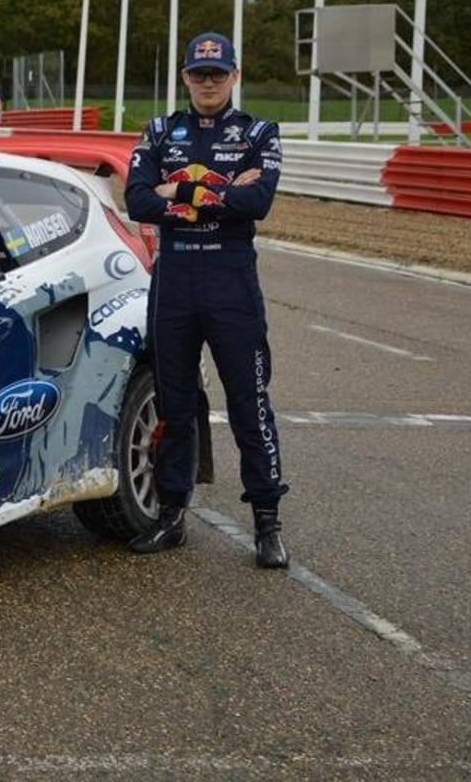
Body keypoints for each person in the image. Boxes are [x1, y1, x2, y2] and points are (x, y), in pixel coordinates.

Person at [123, 32, 290, 568]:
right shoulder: (158, 130)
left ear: (235, 76)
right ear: (185, 77)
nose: (209, 82)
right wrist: (219, 192)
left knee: (249, 400)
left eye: (218, 74)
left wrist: (179, 191)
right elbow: (138, 201)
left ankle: (267, 521)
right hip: (173, 279)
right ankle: (172, 514)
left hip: (230, 278)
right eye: (199, 73)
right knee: (174, 402)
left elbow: (257, 201)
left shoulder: (259, 132)